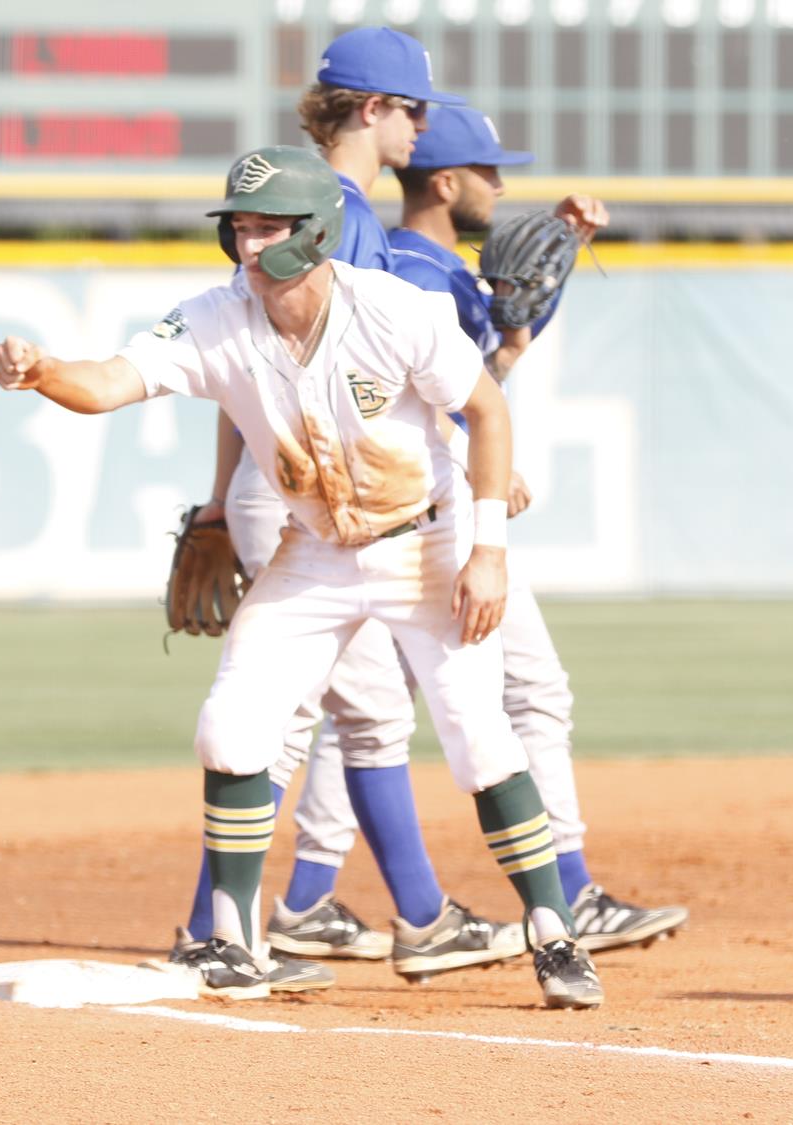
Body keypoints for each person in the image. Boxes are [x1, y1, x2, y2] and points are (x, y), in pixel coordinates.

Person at [0, 144, 604, 1009]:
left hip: (425, 541)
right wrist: (43, 372)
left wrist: (489, 550)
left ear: (316, 232)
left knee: (478, 737)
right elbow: (107, 382)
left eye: (268, 227)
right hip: (313, 551)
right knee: (232, 726)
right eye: (239, 227)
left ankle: (554, 935)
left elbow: (484, 408)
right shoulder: (215, 318)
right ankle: (232, 940)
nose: (249, 245)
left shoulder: (392, 309)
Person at [175, 27, 526, 987]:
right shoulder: (329, 211)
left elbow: (254, 377)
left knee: (309, 717)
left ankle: (260, 917)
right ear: (372, 110)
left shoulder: (331, 203)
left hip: (294, 478)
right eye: (412, 108)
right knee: (338, 717)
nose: (422, 125)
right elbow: (301, 379)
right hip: (321, 493)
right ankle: (251, 923)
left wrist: (218, 503)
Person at [294, 102, 688, 952]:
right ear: (445, 180)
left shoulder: (443, 272)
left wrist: (552, 263)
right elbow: (392, 393)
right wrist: (473, 465)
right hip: (427, 517)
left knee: (369, 709)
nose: (504, 186)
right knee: (508, 692)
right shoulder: (414, 273)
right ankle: (568, 889)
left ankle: (306, 893)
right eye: (491, 173)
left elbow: (491, 364)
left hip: (425, 510)